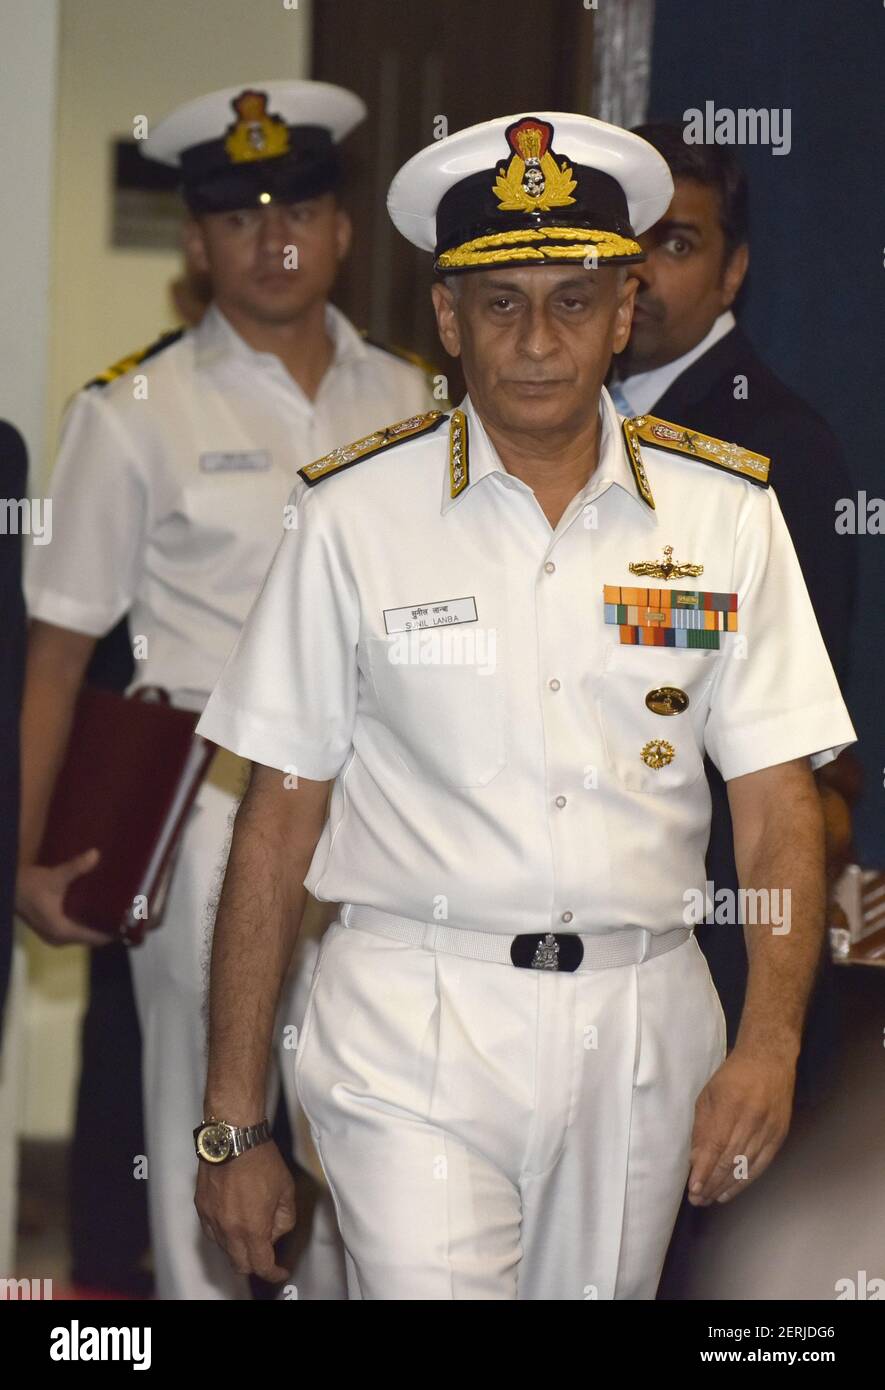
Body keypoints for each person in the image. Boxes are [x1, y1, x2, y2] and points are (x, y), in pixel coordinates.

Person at [193, 112, 856, 1300]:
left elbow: (773, 803)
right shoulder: (352, 518)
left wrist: (770, 1042)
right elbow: (279, 816)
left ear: (622, 310)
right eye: (501, 305)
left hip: (643, 1026)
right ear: (449, 321)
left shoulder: (724, 518)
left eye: (572, 300)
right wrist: (233, 1123)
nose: (538, 340)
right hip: (414, 1019)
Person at [17, 79, 434, 1301]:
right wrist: (22, 858)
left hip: (381, 810)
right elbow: (55, 655)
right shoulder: (131, 410)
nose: (274, 237)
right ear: (198, 244)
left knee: (374, 1113)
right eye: (241, 215)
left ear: (344, 229)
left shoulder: (414, 400)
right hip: (206, 808)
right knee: (207, 1122)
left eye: (299, 206)